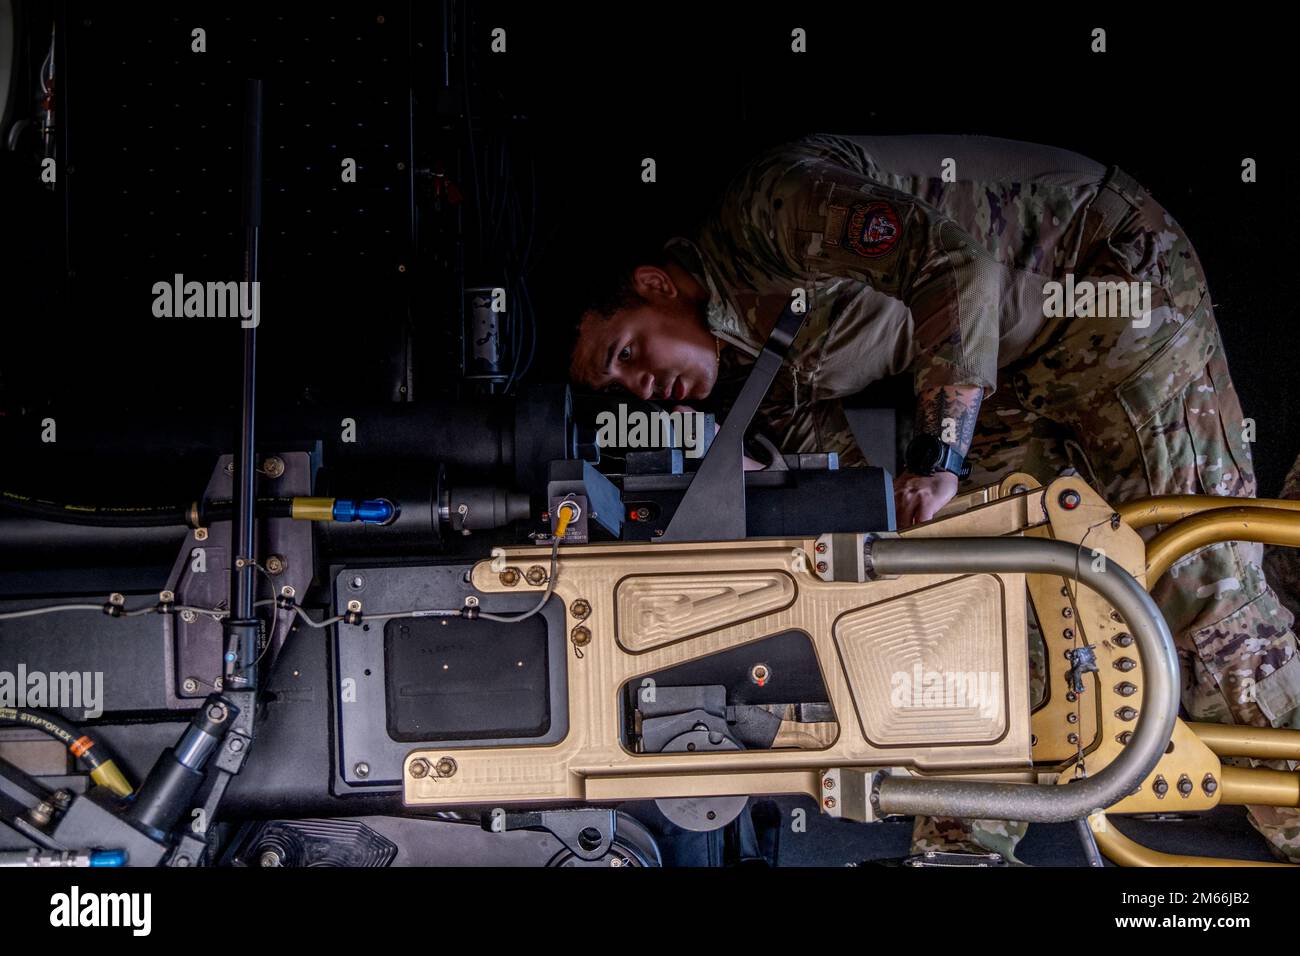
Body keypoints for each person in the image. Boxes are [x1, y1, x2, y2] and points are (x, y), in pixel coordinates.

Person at [567, 133, 1300, 863]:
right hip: (1010, 373)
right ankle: (962, 845)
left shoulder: (769, 211)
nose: (639, 384)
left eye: (625, 352)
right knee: (983, 588)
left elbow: (959, 268)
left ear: (656, 286)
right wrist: (857, 508)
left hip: (1111, 282)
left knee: (1201, 585)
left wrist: (943, 451)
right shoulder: (753, 377)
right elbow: (866, 492)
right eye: (617, 386)